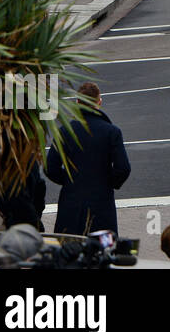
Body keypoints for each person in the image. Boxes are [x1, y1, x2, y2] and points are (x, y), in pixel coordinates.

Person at [45, 82, 131, 235]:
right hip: (101, 201)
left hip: (71, 200)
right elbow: (123, 168)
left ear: (77, 102)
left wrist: (68, 180)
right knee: (103, 249)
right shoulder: (111, 132)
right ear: (99, 102)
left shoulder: (65, 131)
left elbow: (49, 167)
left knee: (69, 247)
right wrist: (108, 183)